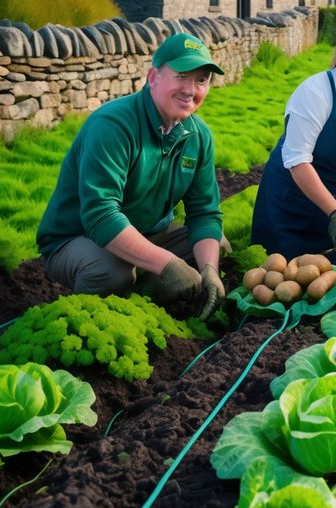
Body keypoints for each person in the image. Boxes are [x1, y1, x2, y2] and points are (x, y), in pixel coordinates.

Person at [37, 32, 228, 320]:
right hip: (77, 237)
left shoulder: (198, 136)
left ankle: (139, 300)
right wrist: (167, 264)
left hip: (146, 230)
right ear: (153, 78)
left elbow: (204, 214)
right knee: (111, 272)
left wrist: (209, 271)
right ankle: (88, 318)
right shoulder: (113, 125)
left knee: (215, 246)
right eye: (181, 76)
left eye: (201, 80)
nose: (191, 90)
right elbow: (100, 216)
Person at [250, 19, 336, 266]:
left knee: (330, 276)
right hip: (290, 206)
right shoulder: (315, 91)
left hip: (335, 206)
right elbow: (297, 160)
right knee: (283, 278)